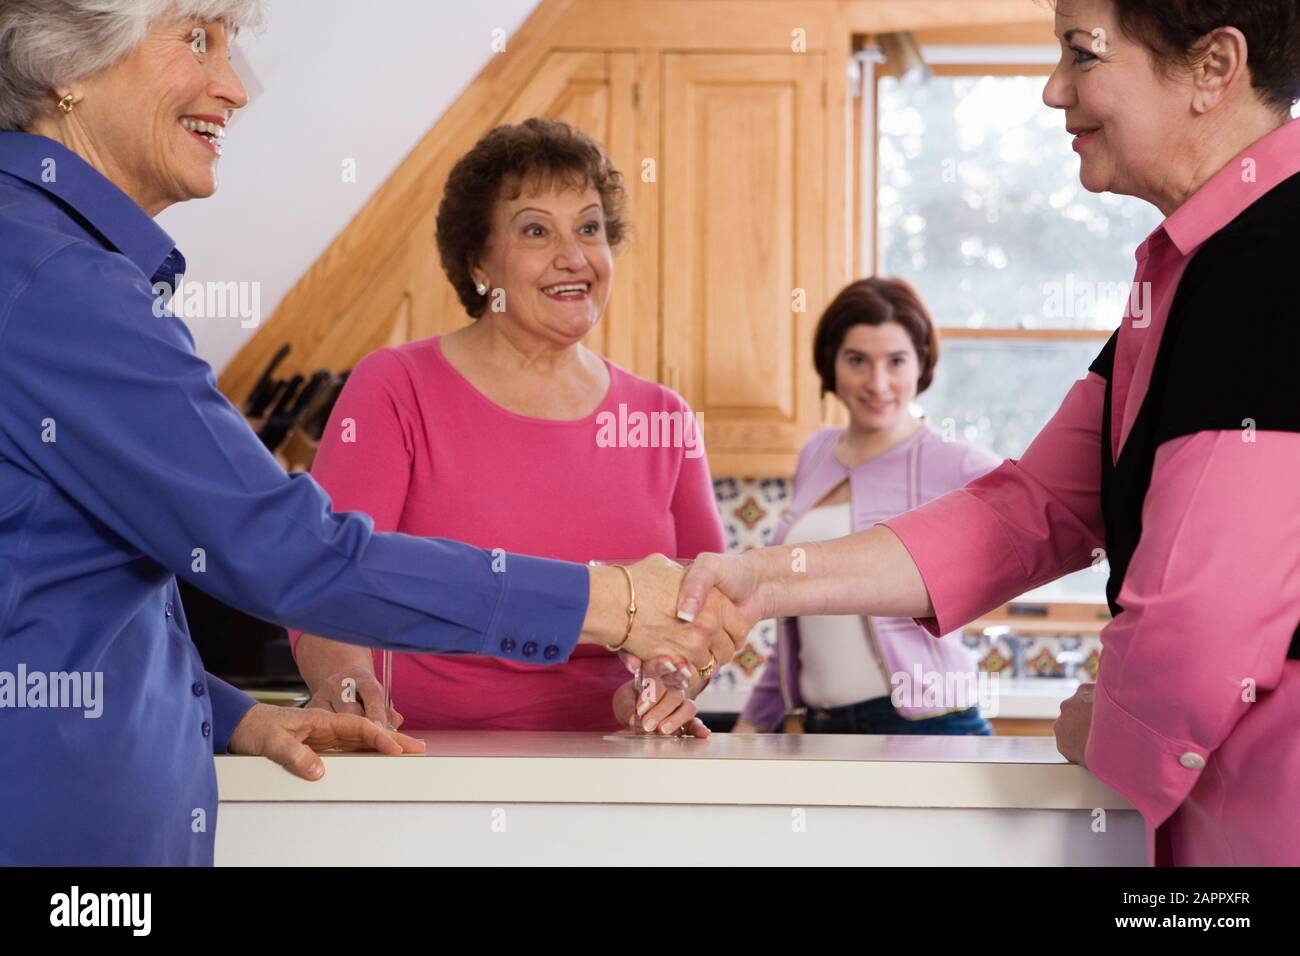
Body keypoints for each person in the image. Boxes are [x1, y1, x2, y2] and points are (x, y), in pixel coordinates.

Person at [0, 0, 743, 866]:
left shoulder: (50, 265)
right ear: (67, 65)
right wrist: (608, 602)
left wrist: (234, 714)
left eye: (589, 229)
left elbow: (67, 595)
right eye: (198, 38)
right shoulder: (60, 283)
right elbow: (292, 554)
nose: (235, 87)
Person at [680, 0, 1300, 866]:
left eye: (1082, 54)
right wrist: (760, 578)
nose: (1053, 90)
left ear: (1213, 68)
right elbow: (1030, 509)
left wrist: (1110, 728)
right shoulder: (1189, 272)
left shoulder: (1269, 261)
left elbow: (1206, 627)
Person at [293, 119, 723, 737]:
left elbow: (703, 606)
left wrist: (666, 680)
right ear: (480, 263)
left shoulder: (662, 418)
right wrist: (345, 680)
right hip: (427, 764)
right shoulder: (395, 387)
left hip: (619, 769)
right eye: (535, 230)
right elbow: (328, 580)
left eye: (590, 228)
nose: (573, 256)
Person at [734, 278, 999, 736]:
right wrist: (753, 723)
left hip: (927, 726)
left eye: (895, 361)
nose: (877, 383)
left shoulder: (952, 459)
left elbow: (1045, 523)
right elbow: (797, 622)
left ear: (920, 364)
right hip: (822, 726)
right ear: (832, 363)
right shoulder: (815, 453)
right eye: (858, 360)